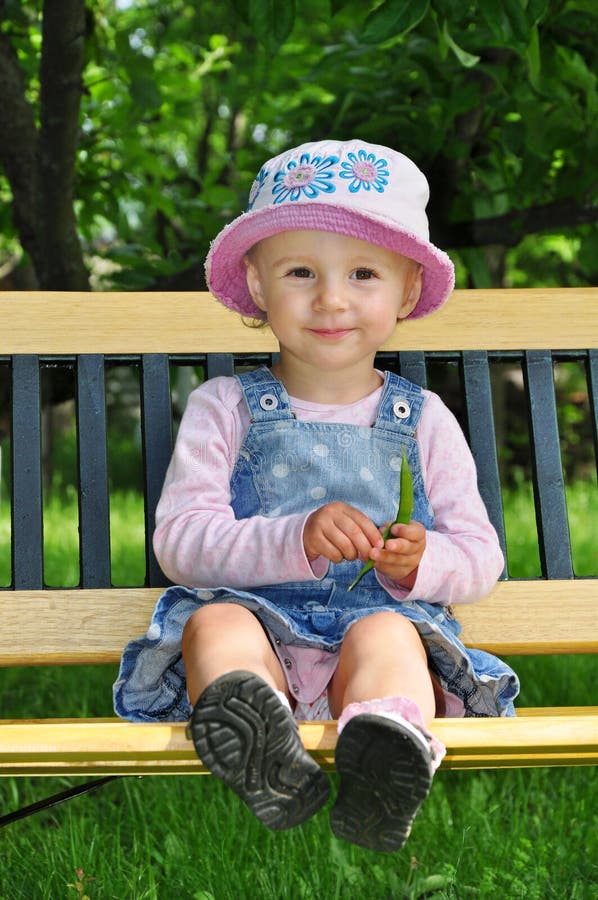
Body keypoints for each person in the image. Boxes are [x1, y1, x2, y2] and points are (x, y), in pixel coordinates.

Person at [114, 139, 519, 852]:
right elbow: (180, 543)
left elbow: (480, 557)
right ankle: (261, 738)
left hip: (373, 634)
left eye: (363, 273)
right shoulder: (226, 407)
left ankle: (386, 744)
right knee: (214, 627)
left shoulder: (422, 417)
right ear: (260, 284)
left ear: (407, 291)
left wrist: (419, 564)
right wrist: (292, 537)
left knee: (389, 633)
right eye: (301, 271)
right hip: (258, 634)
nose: (331, 299)